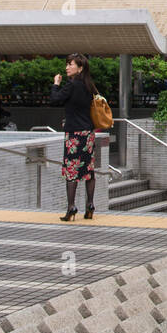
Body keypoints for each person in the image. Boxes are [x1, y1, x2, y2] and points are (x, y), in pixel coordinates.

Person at [51, 54, 98, 221]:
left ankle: (71, 207)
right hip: (88, 134)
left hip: (74, 134)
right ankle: (90, 205)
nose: (66, 68)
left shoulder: (72, 85)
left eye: (70, 64)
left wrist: (56, 84)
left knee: (72, 171)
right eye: (67, 64)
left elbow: (55, 99)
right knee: (88, 170)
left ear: (80, 68)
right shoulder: (89, 86)